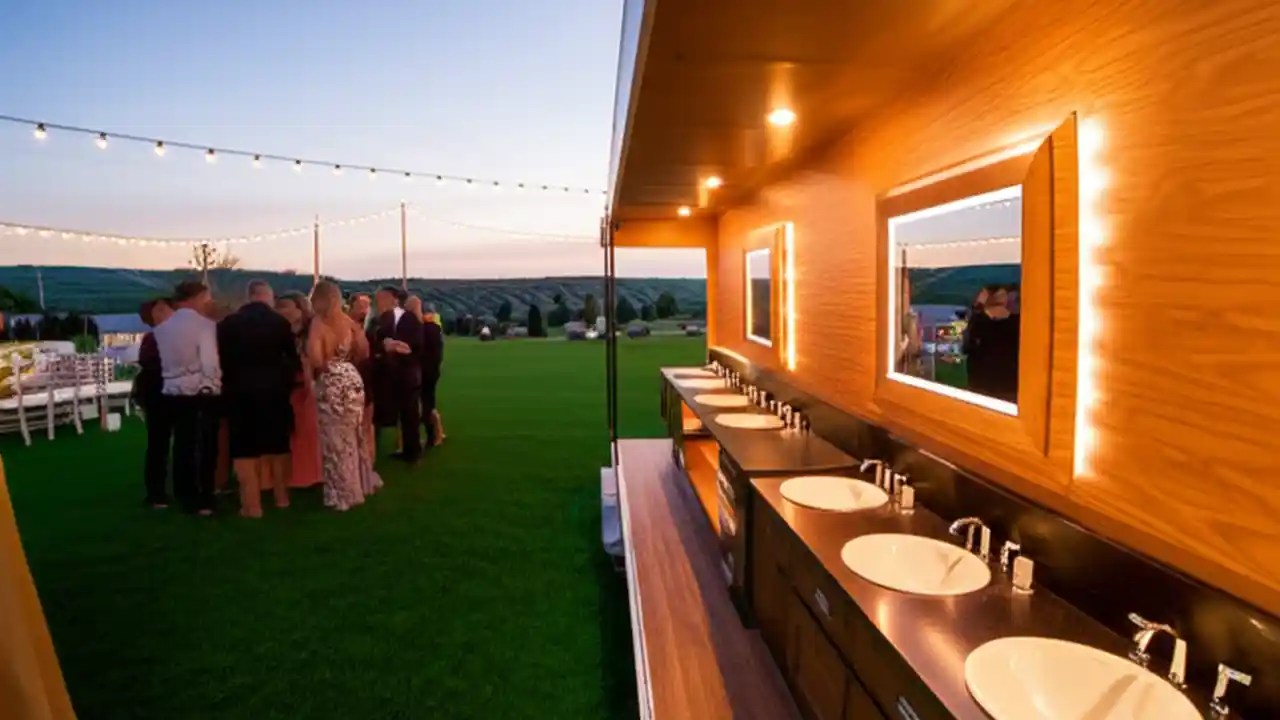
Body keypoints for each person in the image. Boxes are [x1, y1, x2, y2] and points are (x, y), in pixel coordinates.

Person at [217, 281, 299, 518]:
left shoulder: (228, 324)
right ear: (268, 296)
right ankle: (281, 497)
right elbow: (291, 360)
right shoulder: (280, 323)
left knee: (244, 448)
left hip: (239, 392)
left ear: (249, 296)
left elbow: (220, 360)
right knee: (278, 445)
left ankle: (251, 504)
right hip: (274, 392)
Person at [308, 281, 381, 510]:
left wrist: (325, 367)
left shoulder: (318, 323)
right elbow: (364, 351)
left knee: (334, 441)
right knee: (354, 435)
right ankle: (360, 483)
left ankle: (342, 494)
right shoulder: (349, 322)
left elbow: (315, 358)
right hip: (351, 378)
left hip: (331, 381)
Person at [153, 281, 221, 516]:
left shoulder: (162, 328)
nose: (208, 303)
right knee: (204, 445)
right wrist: (212, 386)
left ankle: (184, 493)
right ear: (196, 298)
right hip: (199, 389)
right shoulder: (204, 326)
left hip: (172, 389)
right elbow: (209, 361)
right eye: (206, 298)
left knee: (183, 444)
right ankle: (204, 498)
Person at [371, 285, 424, 464]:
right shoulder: (376, 320)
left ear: (394, 299)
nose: (378, 303)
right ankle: (372, 454)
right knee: (379, 414)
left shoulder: (410, 319)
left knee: (409, 415)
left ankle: (412, 453)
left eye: (381, 298)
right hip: (383, 375)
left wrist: (401, 348)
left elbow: (417, 346)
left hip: (406, 375)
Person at [276, 292, 322, 489]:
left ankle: (311, 475)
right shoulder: (281, 331)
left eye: (286, 306)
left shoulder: (310, 332)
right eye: (279, 306)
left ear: (300, 309)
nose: (281, 311)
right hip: (288, 385)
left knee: (307, 430)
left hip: (307, 384)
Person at [136, 298, 175, 508]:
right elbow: (151, 364)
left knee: (162, 444)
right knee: (158, 444)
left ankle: (162, 490)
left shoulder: (155, 338)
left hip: (166, 394)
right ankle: (156, 493)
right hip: (159, 395)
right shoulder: (153, 339)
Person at [963, 285, 1020, 403]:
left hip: (982, 388)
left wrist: (978, 308)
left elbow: (967, 348)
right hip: (1010, 388)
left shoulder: (978, 323)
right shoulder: (1018, 323)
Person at [420, 302, 446, 447]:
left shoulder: (429, 329)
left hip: (428, 371)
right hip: (432, 370)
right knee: (429, 403)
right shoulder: (436, 328)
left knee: (428, 404)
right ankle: (438, 433)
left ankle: (437, 434)